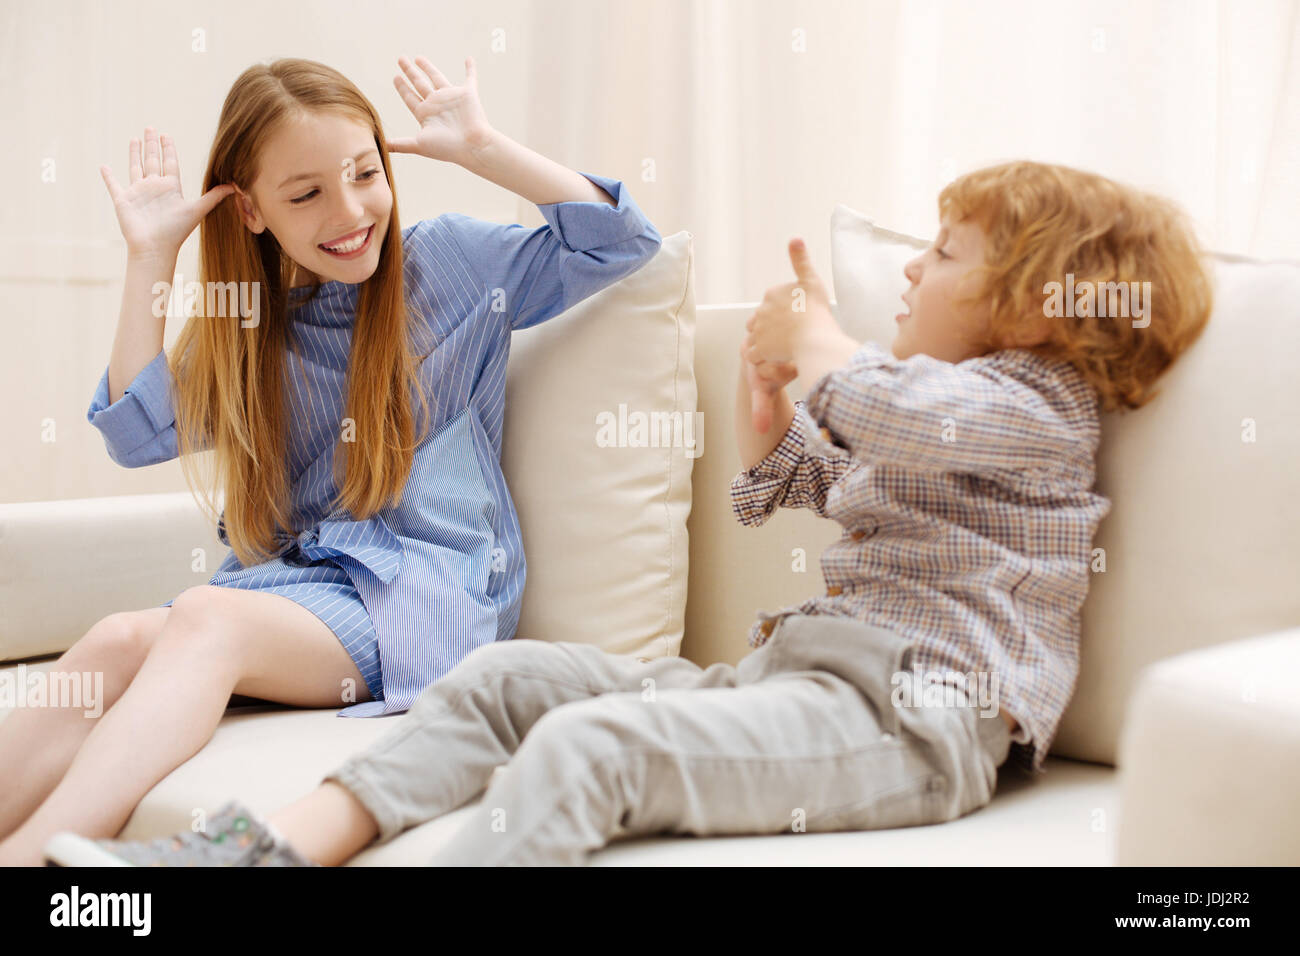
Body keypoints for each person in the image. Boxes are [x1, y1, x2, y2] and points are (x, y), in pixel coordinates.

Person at [42, 160, 1213, 868]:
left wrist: (820, 346)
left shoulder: (1036, 408)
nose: (909, 270)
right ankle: (269, 847)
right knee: (505, 684)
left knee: (590, 743)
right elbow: (789, 492)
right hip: (802, 677)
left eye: (943, 253)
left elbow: (911, 416)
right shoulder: (929, 403)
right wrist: (771, 410)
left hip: (920, 717)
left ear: (1039, 305)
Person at [0, 53, 660, 867]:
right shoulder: (252, 327)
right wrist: (150, 259)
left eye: (365, 173)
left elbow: (619, 243)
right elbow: (136, 436)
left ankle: (28, 859)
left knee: (206, 616)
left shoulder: (451, 264)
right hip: (302, 590)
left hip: (426, 593)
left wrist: (484, 147)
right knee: (113, 640)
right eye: (306, 193)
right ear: (248, 210)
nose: (350, 212)